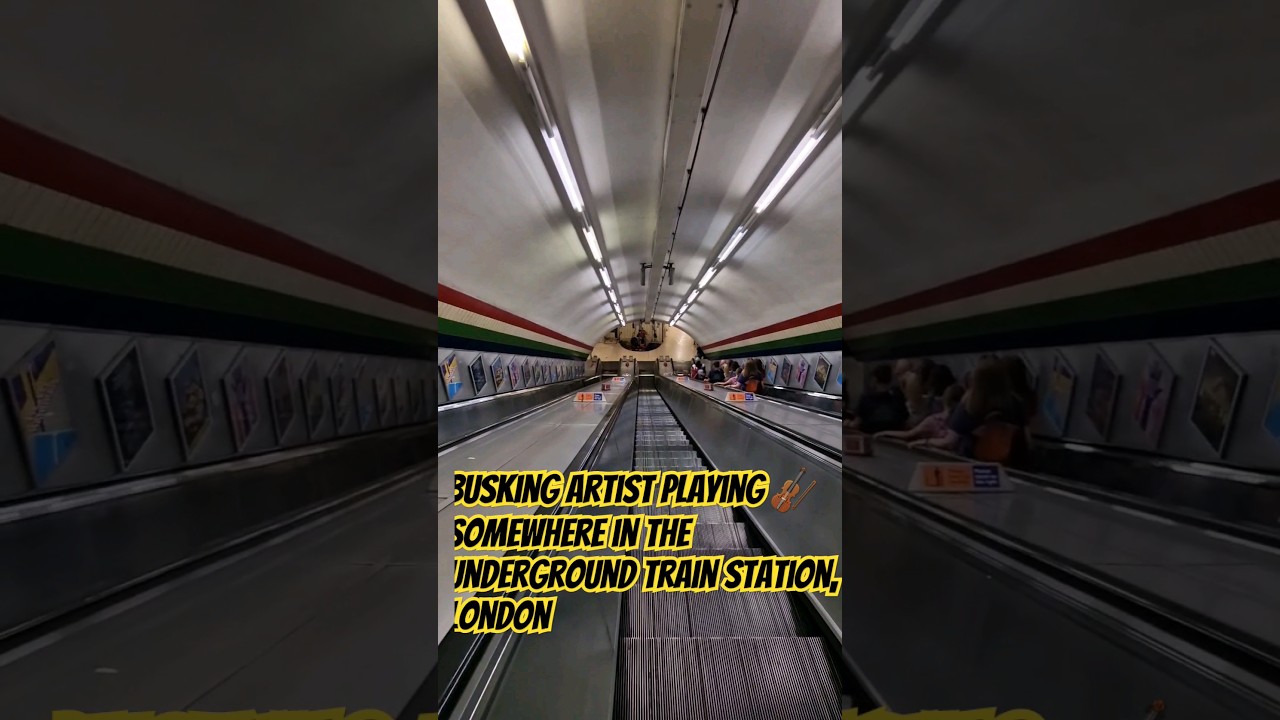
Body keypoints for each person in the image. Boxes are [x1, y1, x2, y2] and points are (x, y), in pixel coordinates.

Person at [876, 384, 963, 443]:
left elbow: (908, 434)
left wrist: (884, 433)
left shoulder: (933, 420)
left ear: (945, 399)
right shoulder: (963, 423)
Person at [849, 364, 909, 434]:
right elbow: (905, 421)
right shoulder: (898, 397)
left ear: (874, 379)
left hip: (871, 438)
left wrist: (848, 424)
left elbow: (856, 424)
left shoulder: (866, 399)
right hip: (895, 438)